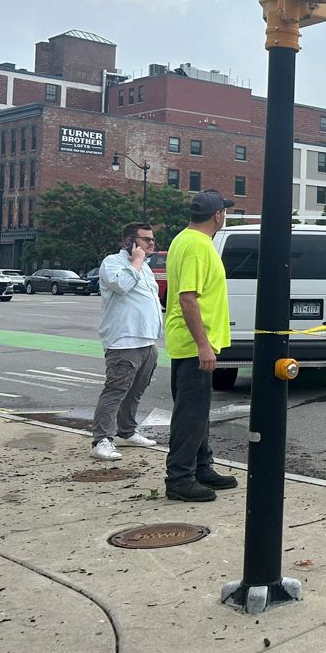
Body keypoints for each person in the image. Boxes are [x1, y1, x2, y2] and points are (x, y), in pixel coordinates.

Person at [164, 190, 238, 501]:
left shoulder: (185, 239)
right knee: (191, 414)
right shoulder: (197, 246)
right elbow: (187, 297)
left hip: (189, 341)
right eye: (225, 211)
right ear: (218, 215)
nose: (225, 215)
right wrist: (204, 345)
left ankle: (201, 466)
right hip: (194, 343)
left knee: (198, 410)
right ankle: (180, 478)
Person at [90, 222, 165, 461]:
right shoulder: (113, 262)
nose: (151, 244)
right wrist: (136, 261)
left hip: (146, 339)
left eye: (152, 240)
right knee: (115, 390)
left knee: (136, 391)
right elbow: (121, 285)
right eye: (146, 240)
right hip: (124, 340)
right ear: (129, 242)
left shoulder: (145, 268)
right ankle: (101, 439)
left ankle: (127, 431)